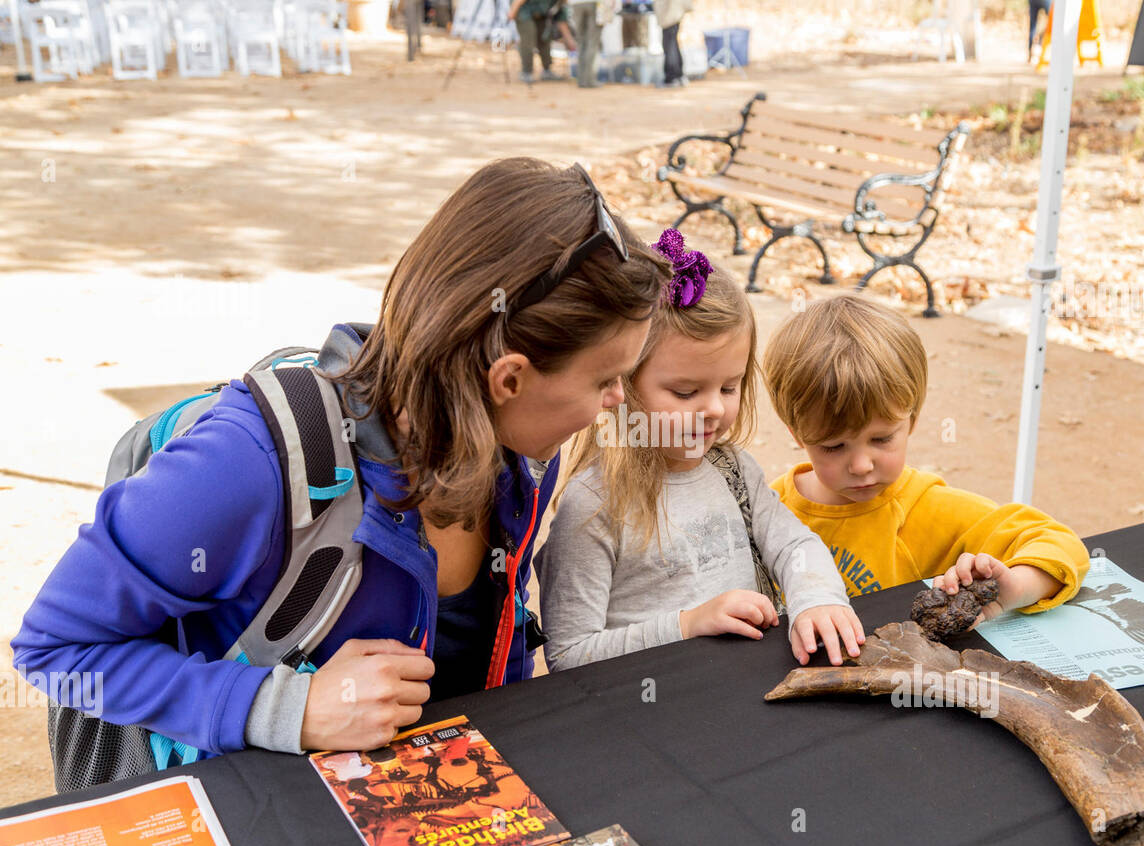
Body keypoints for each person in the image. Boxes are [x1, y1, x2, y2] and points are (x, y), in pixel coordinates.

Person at [13, 158, 673, 775]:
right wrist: (287, 708)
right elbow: (56, 649)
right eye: (608, 379)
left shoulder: (525, 461)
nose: (619, 402)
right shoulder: (249, 463)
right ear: (508, 377)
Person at [538, 229, 865, 672]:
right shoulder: (594, 506)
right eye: (686, 391)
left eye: (730, 387)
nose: (713, 408)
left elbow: (795, 547)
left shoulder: (732, 470)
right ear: (623, 384)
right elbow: (569, 655)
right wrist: (687, 624)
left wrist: (817, 599)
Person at [761, 294, 1090, 625]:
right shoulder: (768, 509)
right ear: (797, 434)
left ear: (911, 420)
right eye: (833, 446)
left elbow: (1060, 543)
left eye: (881, 439)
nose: (861, 465)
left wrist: (1014, 587)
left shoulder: (927, 509)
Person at [508, 0, 578, 83]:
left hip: (541, 15)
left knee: (544, 39)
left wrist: (570, 41)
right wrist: (513, 10)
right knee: (528, 39)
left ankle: (547, 71)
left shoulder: (560, 3)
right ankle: (526, 72)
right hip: (524, 12)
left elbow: (561, 20)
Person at [654, 0, 690, 87]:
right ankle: (678, 75)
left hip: (670, 15)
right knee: (673, 43)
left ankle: (671, 77)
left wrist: (666, 15)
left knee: (669, 45)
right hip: (674, 14)